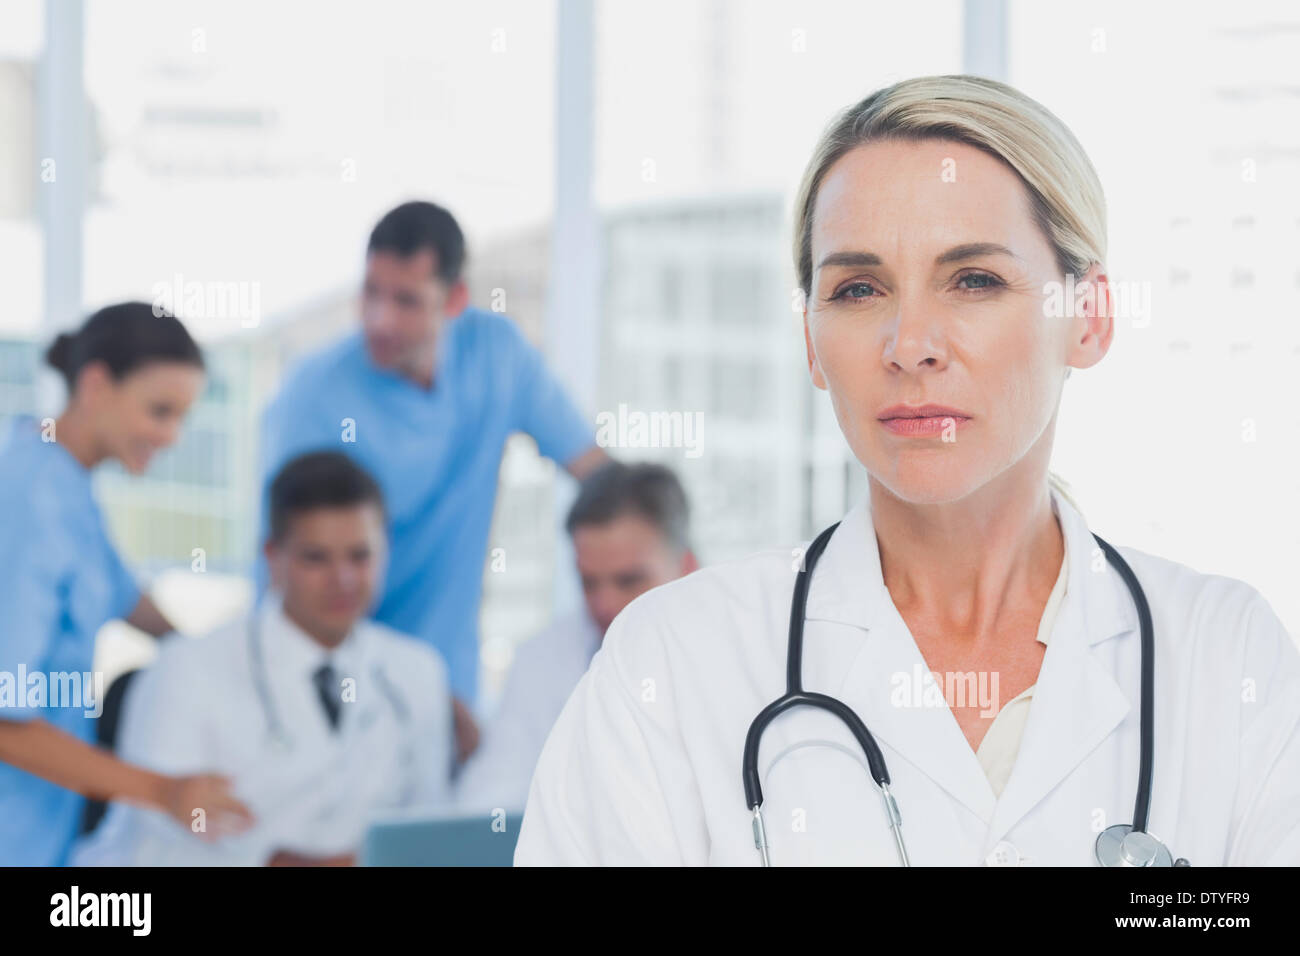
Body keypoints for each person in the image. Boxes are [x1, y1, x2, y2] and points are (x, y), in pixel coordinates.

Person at [514, 75, 1300, 866]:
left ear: (1088, 317)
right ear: (813, 345)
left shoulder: (1226, 656)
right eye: (858, 289)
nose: (909, 342)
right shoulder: (672, 667)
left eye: (974, 280)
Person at [257, 201, 607, 761]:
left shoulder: (497, 355)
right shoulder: (315, 396)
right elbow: (286, 578)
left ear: (456, 300)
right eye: (371, 292)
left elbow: (597, 475)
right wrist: (416, 692)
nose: (380, 320)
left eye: (406, 300)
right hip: (333, 690)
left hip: (452, 684)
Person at [73, 451, 454, 866]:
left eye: (359, 556)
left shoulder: (417, 671)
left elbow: (425, 834)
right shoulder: (186, 669)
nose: (342, 579)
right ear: (273, 556)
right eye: (316, 557)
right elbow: (154, 843)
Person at [0, 303, 252, 867]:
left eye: (182, 416)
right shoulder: (26, 499)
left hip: (43, 837)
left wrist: (234, 660)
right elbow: (3, 723)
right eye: (159, 411)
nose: (171, 435)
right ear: (95, 385)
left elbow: (124, 599)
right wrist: (165, 792)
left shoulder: (67, 484)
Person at [455, 462, 697, 813]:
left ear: (687, 567)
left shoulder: (739, 652)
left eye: (628, 580)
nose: (604, 604)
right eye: (588, 583)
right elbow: (487, 806)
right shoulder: (542, 659)